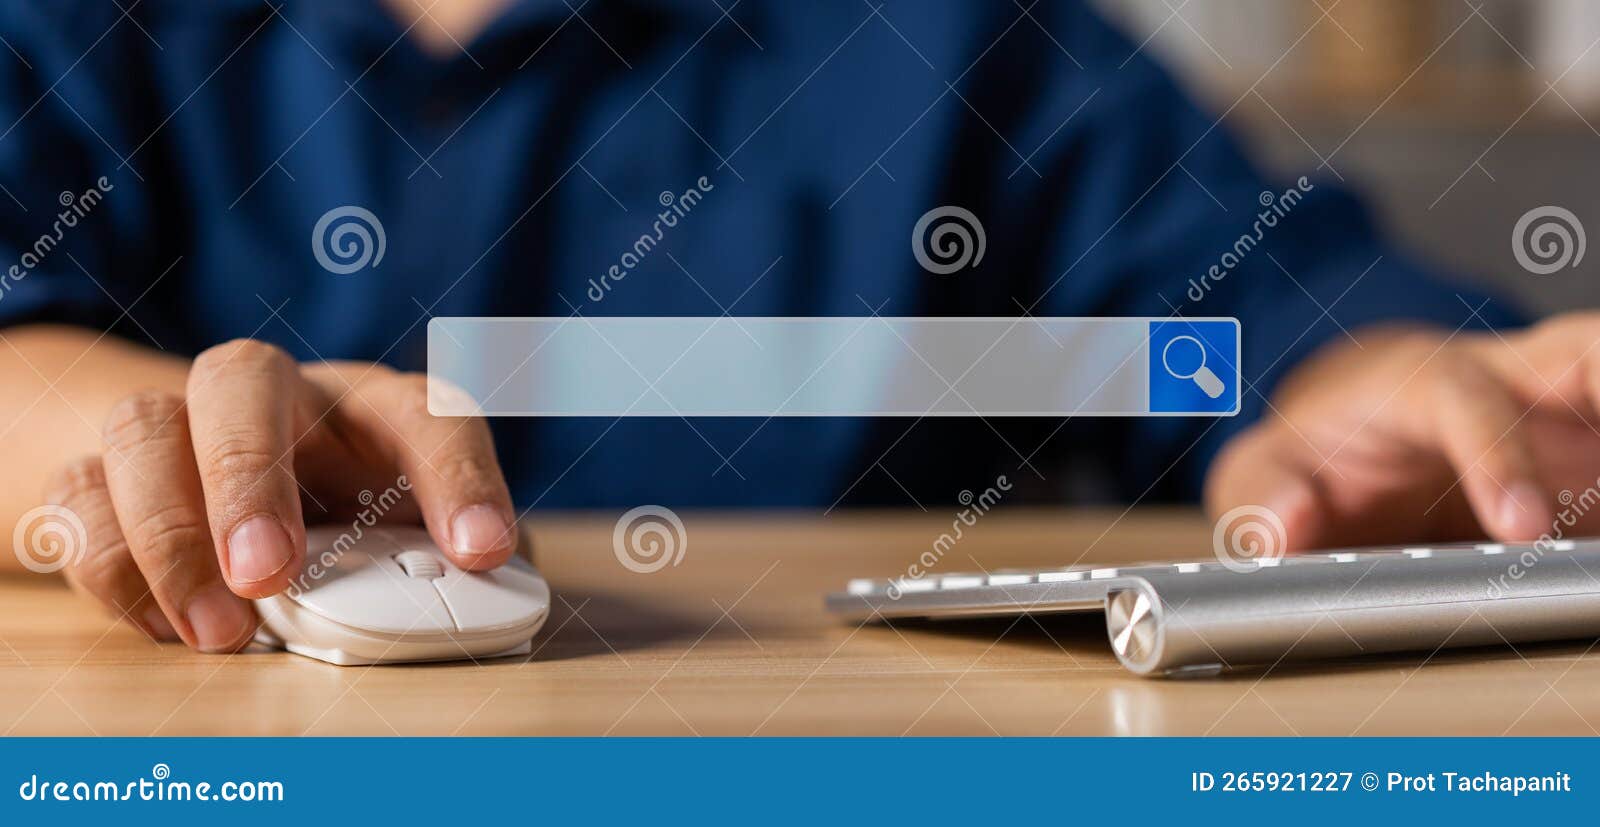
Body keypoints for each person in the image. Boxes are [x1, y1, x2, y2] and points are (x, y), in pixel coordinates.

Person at [0, 0, 1584, 654]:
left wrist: (1362, 378)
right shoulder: (75, 32)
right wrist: (135, 443)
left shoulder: (945, 46)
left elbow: (1231, 312)